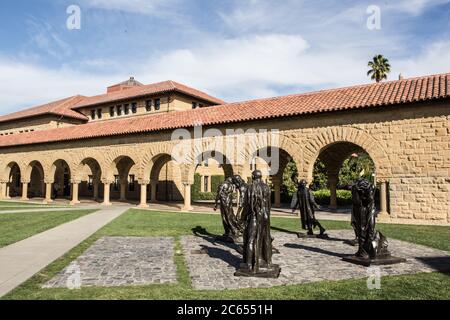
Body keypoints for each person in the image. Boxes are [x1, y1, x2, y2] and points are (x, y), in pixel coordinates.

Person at [240, 170, 275, 273]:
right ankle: (268, 261)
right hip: (265, 216)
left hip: (254, 215)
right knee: (266, 238)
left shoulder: (250, 187)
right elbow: (268, 204)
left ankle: (249, 264)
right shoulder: (266, 187)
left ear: (253, 176)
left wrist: (243, 217)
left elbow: (247, 206)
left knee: (251, 238)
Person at [214, 177, 242, 241]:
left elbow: (219, 194)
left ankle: (232, 231)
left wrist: (216, 203)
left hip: (224, 203)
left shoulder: (223, 184)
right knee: (230, 217)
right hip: (229, 203)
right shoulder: (231, 185)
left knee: (225, 217)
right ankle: (231, 231)